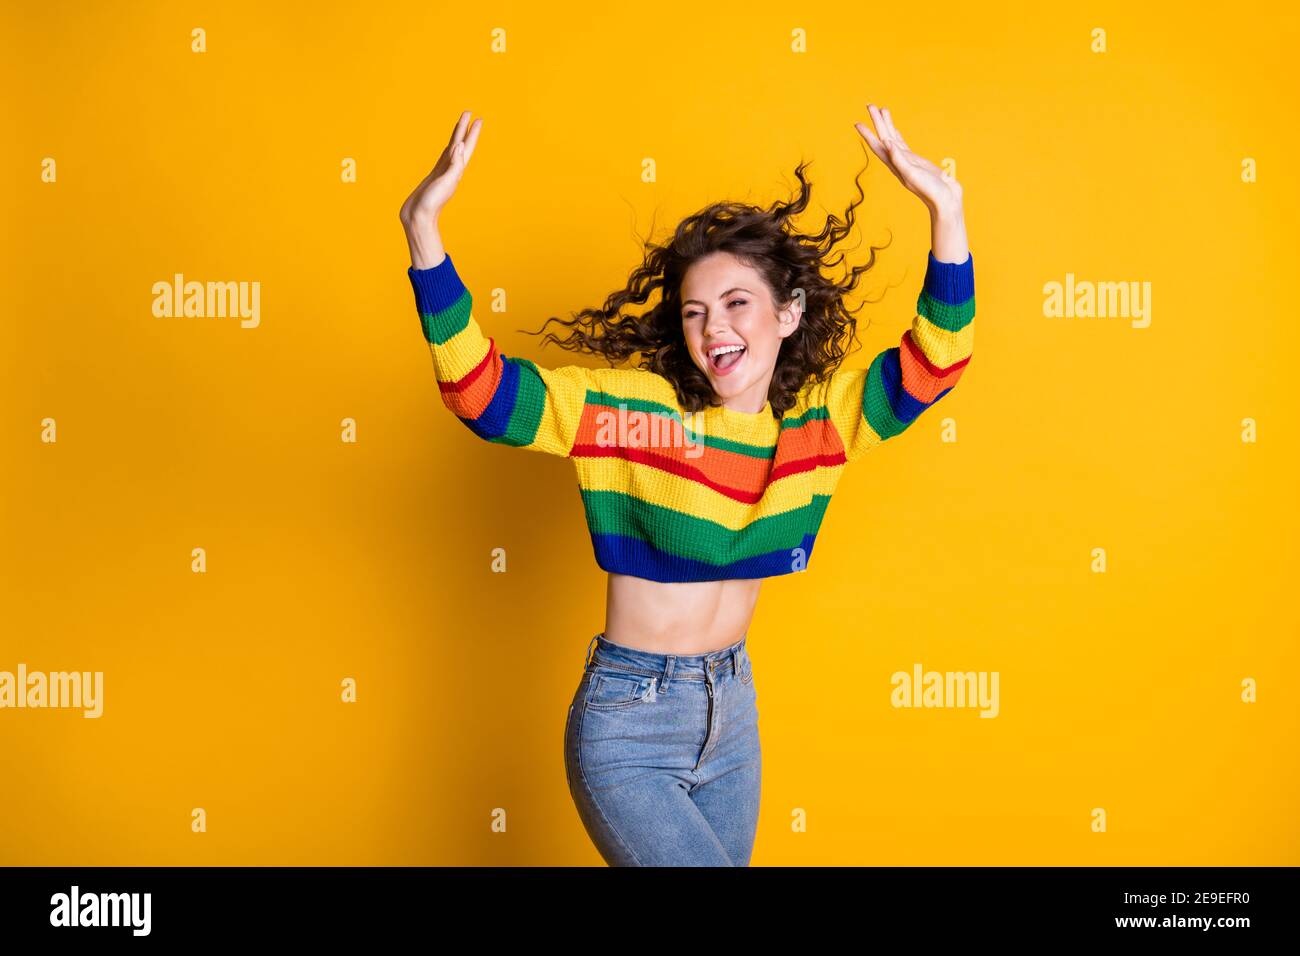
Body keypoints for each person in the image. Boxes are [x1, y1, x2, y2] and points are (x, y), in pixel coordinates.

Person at [399, 106, 974, 866]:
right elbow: (482, 394)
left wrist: (948, 211)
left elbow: (938, 358)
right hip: (630, 721)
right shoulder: (634, 414)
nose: (714, 329)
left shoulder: (818, 428)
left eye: (737, 304)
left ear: (788, 313)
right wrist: (423, 232)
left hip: (731, 712)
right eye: (696, 312)